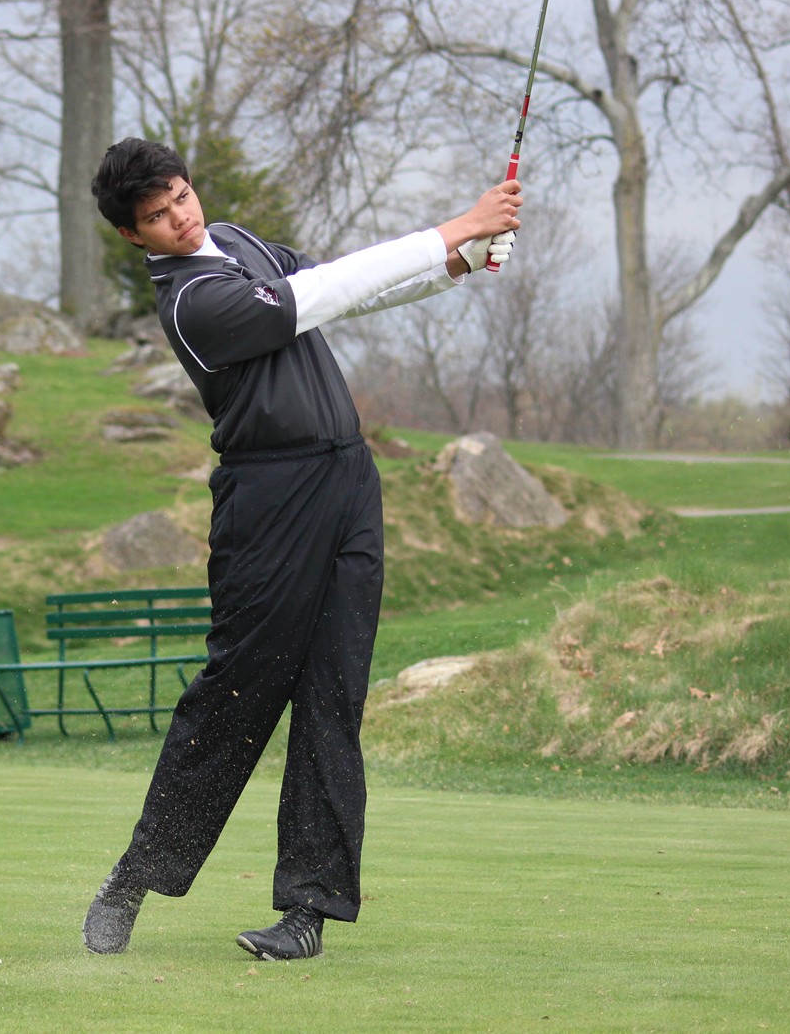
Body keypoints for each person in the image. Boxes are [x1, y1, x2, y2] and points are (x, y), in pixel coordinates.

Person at [81, 137, 520, 961]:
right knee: (238, 694)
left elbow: (350, 297)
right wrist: (455, 224)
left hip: (348, 480)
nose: (180, 216)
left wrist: (455, 263)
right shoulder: (188, 300)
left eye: (180, 196)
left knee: (333, 695)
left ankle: (307, 912)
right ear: (132, 236)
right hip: (267, 500)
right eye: (157, 216)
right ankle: (136, 876)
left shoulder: (240, 241)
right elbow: (317, 292)